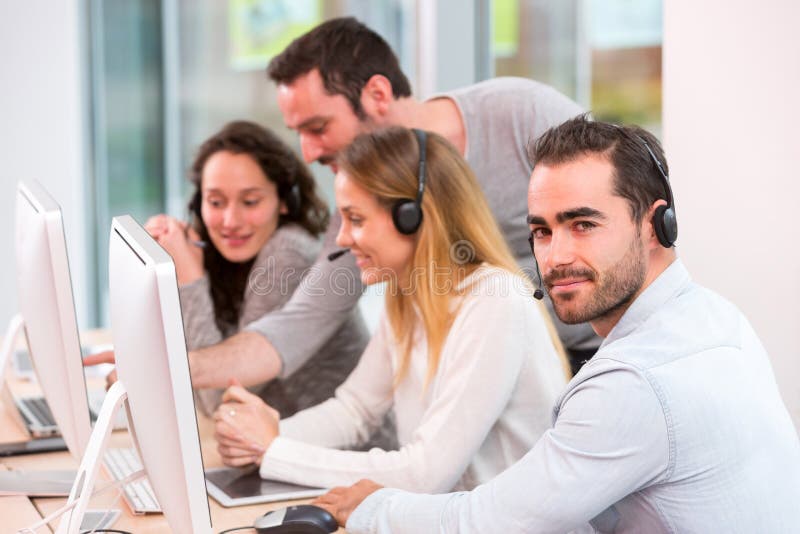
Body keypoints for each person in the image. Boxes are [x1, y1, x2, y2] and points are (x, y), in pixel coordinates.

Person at [311, 116, 800, 533]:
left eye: (583, 225)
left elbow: (488, 522)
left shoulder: (632, 382)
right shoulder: (716, 317)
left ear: (655, 225)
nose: (556, 256)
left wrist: (370, 508)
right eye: (542, 231)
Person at [186, 17, 601, 396]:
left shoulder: (521, 115)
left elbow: (623, 220)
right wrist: (181, 367)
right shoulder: (361, 208)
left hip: (595, 357)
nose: (308, 154)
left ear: (377, 95)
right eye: (299, 133)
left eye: (318, 128)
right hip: (488, 377)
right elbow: (300, 322)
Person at [212, 127, 569, 493]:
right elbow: (355, 410)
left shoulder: (494, 301)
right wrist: (262, 436)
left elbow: (424, 473)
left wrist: (273, 449)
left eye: (356, 219)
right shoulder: (409, 297)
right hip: (449, 515)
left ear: (411, 216)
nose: (342, 238)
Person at [89, 121, 366, 418]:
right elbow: (191, 372)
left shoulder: (289, 253)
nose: (230, 221)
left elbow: (217, 399)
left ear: (285, 202)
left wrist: (189, 278)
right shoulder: (216, 252)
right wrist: (159, 272)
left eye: (250, 201)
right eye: (216, 202)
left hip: (337, 444)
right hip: (271, 438)